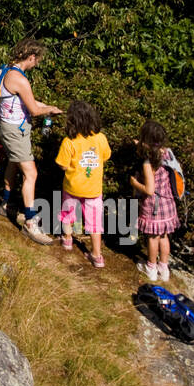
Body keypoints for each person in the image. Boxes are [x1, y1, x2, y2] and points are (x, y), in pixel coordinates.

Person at [0, 38, 64, 244]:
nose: (36, 64)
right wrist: (49, 110)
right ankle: (30, 222)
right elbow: (33, 109)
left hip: (7, 126)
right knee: (31, 173)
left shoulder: (4, 70)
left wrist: (48, 106)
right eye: (36, 60)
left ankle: (5, 203)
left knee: (13, 163)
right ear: (31, 57)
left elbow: (23, 100)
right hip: (15, 130)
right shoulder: (20, 79)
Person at [54, 100, 111, 267]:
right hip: (93, 189)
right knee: (94, 222)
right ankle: (97, 255)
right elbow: (106, 156)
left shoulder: (69, 141)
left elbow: (63, 164)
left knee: (67, 213)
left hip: (72, 186)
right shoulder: (101, 138)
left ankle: (67, 239)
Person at [130, 119, 179, 282]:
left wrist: (135, 183)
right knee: (164, 236)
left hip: (154, 206)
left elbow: (149, 190)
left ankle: (150, 267)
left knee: (153, 237)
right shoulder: (167, 153)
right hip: (168, 204)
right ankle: (164, 268)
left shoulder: (148, 162)